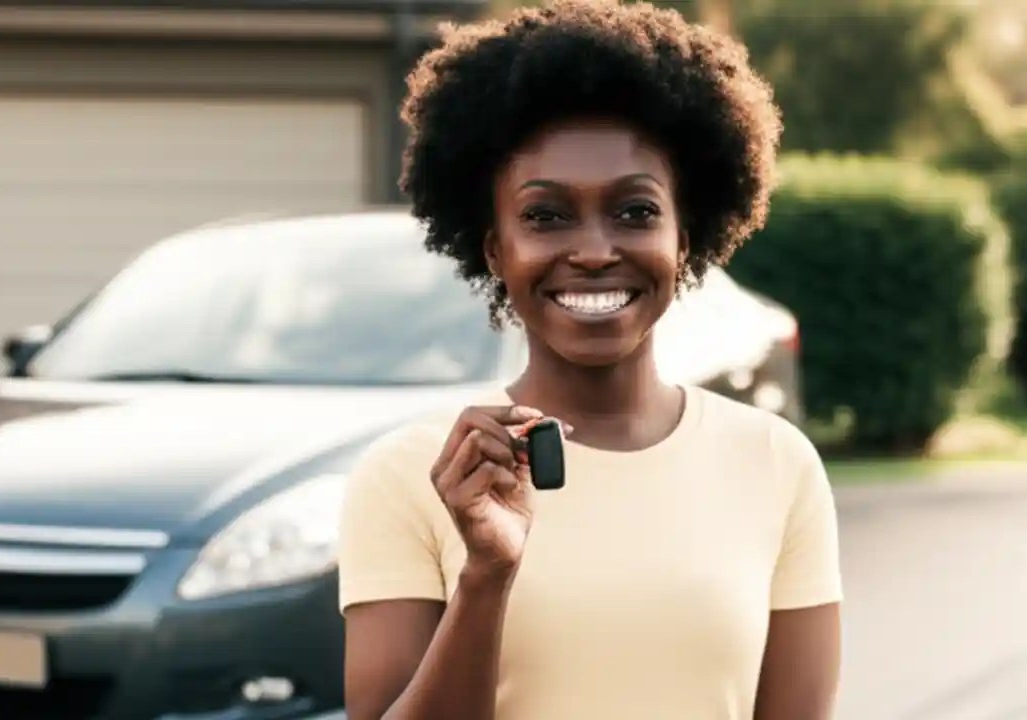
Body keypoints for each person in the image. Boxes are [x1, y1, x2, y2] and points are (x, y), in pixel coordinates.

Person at [336, 1, 843, 718]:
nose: (596, 250)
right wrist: (487, 573)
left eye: (636, 212)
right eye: (545, 216)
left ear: (685, 242)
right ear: (494, 250)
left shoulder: (776, 462)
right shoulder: (410, 476)